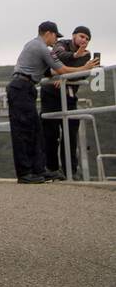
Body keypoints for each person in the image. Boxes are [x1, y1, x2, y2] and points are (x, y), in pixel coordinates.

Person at [6, 22, 97, 183]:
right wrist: (84, 67)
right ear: (48, 33)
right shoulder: (42, 48)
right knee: (23, 132)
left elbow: (50, 71)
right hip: (22, 87)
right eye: (55, 35)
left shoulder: (33, 45)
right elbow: (61, 69)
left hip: (25, 87)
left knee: (35, 131)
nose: (56, 40)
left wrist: (62, 76)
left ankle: (38, 170)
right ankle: (25, 173)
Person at [40, 25, 96, 179]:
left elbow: (85, 74)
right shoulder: (61, 45)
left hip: (69, 94)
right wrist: (75, 57)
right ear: (73, 36)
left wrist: (65, 77)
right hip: (51, 94)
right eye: (82, 36)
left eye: (87, 39)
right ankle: (51, 170)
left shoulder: (86, 54)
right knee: (50, 134)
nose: (84, 40)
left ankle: (70, 171)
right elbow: (58, 57)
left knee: (70, 134)